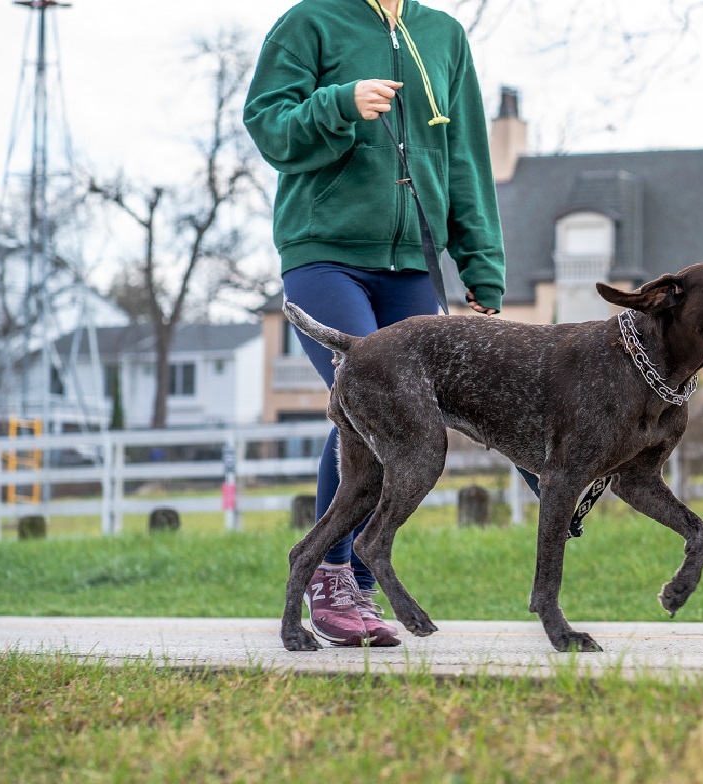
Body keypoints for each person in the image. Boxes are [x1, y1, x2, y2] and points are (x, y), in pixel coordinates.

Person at [244, 0, 505, 646]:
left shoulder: (443, 35)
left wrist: (482, 261)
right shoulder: (310, 23)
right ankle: (330, 573)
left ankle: (357, 582)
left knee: (415, 429)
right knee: (372, 408)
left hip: (414, 263)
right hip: (325, 256)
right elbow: (269, 125)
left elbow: (464, 154)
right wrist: (337, 104)